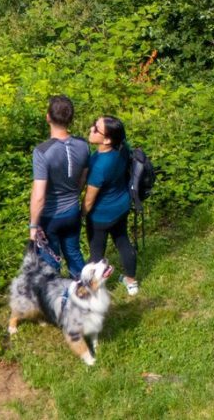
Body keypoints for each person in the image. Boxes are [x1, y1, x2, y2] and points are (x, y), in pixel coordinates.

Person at [29, 94, 90, 276]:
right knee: (74, 254)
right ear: (71, 118)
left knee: (50, 261)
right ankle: (87, 295)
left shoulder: (42, 151)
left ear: (48, 117)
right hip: (72, 211)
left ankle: (55, 299)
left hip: (50, 216)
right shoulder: (83, 145)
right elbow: (83, 178)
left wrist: (33, 227)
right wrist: (74, 195)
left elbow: (39, 195)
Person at [83, 114, 139, 296]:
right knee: (123, 242)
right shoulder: (122, 147)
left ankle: (93, 291)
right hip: (121, 206)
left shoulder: (99, 164)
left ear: (106, 139)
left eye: (95, 129)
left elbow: (89, 200)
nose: (91, 129)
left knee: (96, 255)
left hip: (101, 216)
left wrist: (81, 214)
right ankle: (131, 282)